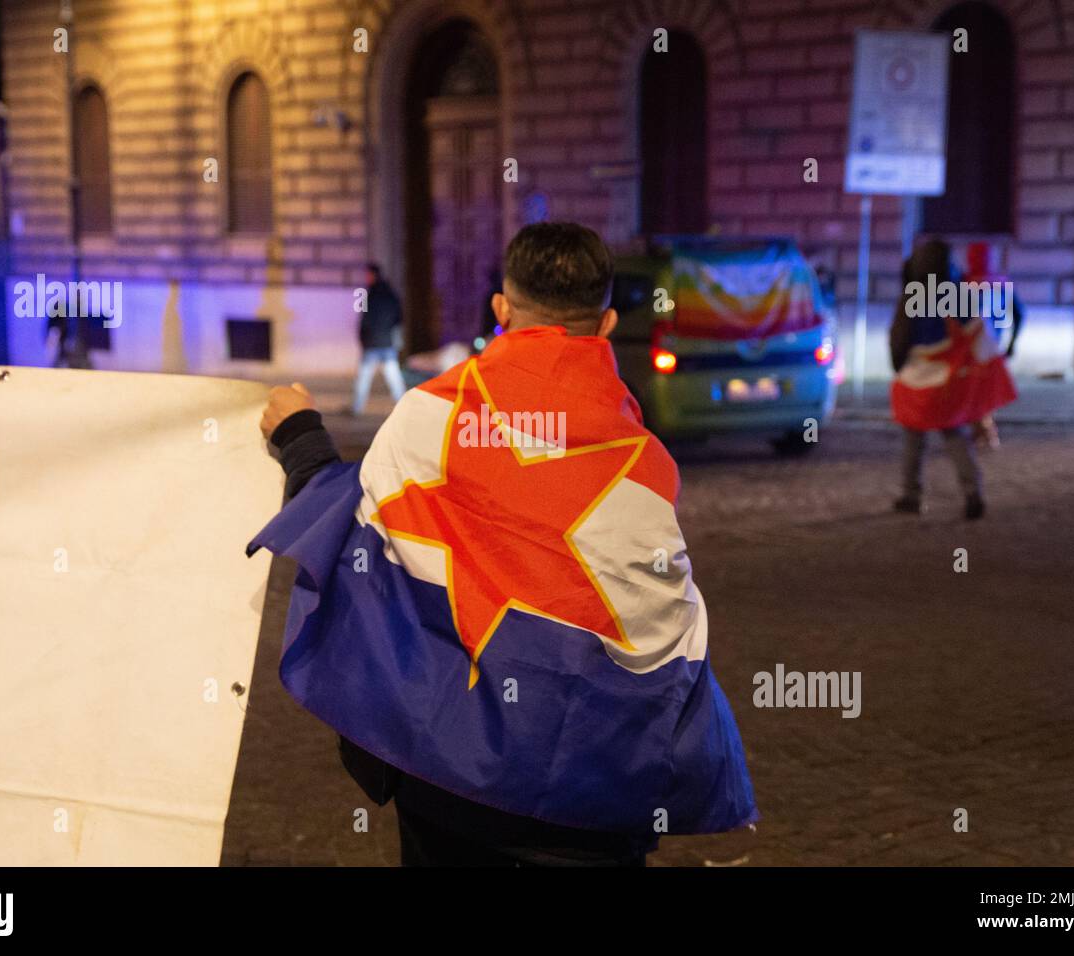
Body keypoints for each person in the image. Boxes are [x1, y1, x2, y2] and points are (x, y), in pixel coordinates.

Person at [255, 223, 755, 866]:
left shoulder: (426, 414)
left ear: (501, 308)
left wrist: (300, 437)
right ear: (604, 324)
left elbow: (353, 536)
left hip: (444, 779)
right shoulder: (645, 469)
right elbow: (660, 630)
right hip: (590, 802)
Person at [889, 238, 1016, 521]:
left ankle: (911, 495)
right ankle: (973, 494)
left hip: (914, 380)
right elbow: (977, 333)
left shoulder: (912, 295)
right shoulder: (956, 294)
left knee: (913, 441)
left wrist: (897, 366)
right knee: (955, 437)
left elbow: (898, 338)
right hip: (947, 383)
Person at [963, 242, 1025, 450]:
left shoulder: (962, 282)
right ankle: (981, 430)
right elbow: (1019, 314)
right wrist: (1011, 342)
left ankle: (986, 431)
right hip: (990, 346)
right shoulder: (999, 283)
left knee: (975, 389)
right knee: (980, 389)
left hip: (972, 347)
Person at [350, 263, 406, 416]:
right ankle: (404, 406)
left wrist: (362, 338)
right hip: (387, 342)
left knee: (364, 377)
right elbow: (399, 317)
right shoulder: (391, 294)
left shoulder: (368, 294)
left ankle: (357, 408)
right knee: (394, 377)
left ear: (373, 275)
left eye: (367, 275)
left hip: (373, 342)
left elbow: (364, 319)